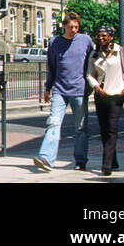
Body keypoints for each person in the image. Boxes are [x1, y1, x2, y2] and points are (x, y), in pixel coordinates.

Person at [34, 11, 94, 172]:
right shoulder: (55, 42)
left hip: (79, 90)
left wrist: (93, 83)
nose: (74, 30)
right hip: (59, 89)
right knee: (53, 123)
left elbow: (93, 62)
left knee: (81, 127)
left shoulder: (86, 41)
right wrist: (47, 88)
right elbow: (51, 67)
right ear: (64, 26)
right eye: (71, 27)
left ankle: (80, 161)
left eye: (76, 27)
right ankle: (46, 158)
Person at [86, 25, 124, 176]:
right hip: (101, 94)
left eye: (104, 35)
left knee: (112, 128)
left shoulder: (121, 51)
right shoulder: (94, 54)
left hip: (117, 94)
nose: (101, 38)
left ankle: (106, 164)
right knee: (104, 129)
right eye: (99, 35)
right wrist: (96, 87)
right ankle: (113, 160)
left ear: (111, 37)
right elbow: (89, 74)